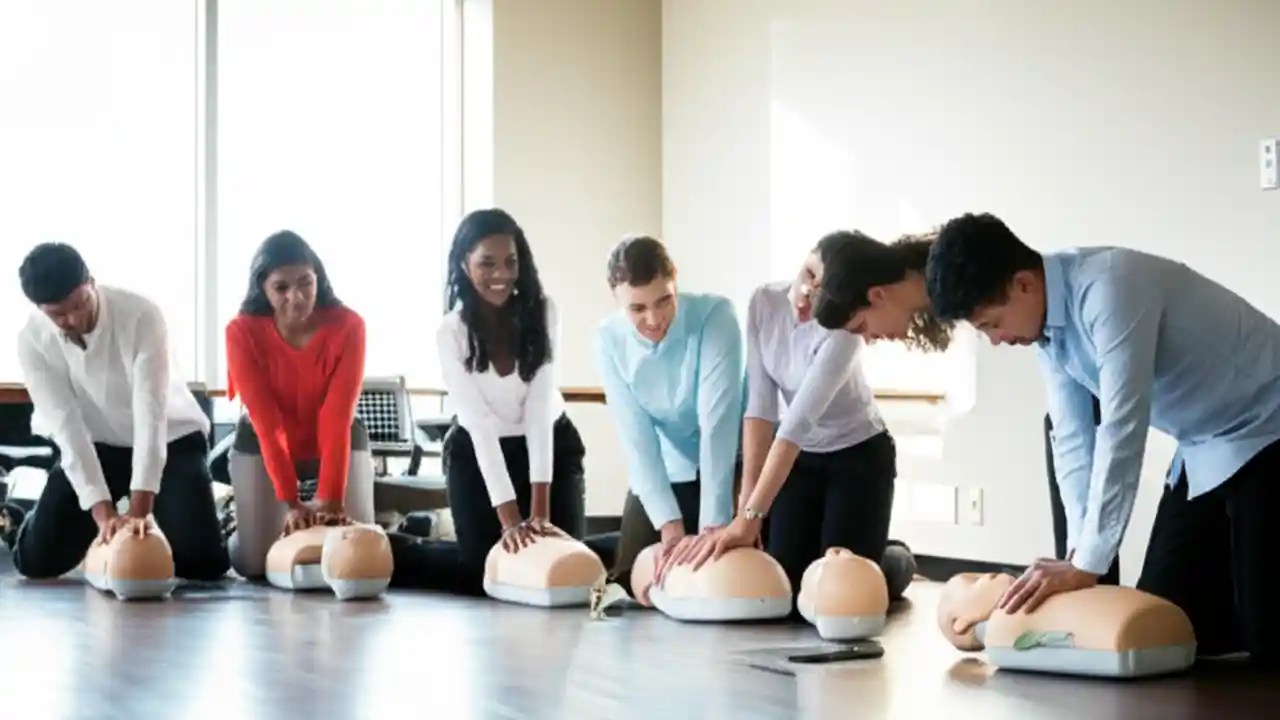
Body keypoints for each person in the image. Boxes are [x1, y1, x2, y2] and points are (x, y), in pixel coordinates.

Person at [924, 211, 1280, 668]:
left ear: (1023, 285)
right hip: (1205, 445)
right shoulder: (1046, 328)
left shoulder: (1110, 287)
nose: (995, 340)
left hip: (1268, 419)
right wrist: (1078, 555)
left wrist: (1089, 562)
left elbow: (1122, 426)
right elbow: (1073, 439)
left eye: (992, 324)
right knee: (1172, 623)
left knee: (1269, 637)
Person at [673, 231, 912, 603]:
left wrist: (751, 518)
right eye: (806, 277)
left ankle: (893, 560)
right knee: (787, 585)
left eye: (818, 293)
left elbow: (797, 424)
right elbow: (760, 410)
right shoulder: (763, 303)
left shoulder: (844, 330)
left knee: (840, 589)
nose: (805, 297)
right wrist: (745, 510)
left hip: (858, 456)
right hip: (799, 462)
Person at [8, 242, 229, 580]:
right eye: (58, 314)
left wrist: (140, 513)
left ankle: (225, 517)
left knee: (202, 565)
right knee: (37, 563)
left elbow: (150, 413)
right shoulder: (32, 340)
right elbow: (67, 426)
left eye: (80, 304)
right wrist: (104, 516)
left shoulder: (141, 316)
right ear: (41, 309)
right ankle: (12, 519)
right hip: (98, 445)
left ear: (91, 283)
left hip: (171, 440)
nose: (73, 319)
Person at [400, 208, 586, 595]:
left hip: (550, 443)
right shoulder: (450, 332)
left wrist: (539, 513)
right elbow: (480, 425)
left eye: (510, 262)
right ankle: (396, 547)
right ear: (465, 265)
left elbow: (538, 410)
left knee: (562, 564)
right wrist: (510, 521)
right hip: (476, 453)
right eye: (487, 263)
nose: (501, 274)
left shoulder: (545, 311)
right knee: (482, 574)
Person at [595, 235, 744, 589]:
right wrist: (668, 523)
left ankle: (891, 555)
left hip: (734, 466)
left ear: (675, 279)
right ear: (615, 296)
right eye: (637, 308)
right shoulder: (608, 339)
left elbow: (717, 426)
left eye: (664, 300)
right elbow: (637, 438)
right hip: (669, 467)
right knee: (635, 579)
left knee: (736, 578)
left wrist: (714, 527)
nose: (654, 318)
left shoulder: (715, 316)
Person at [223, 230, 372, 579]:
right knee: (256, 564)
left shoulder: (350, 325)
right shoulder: (241, 332)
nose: (297, 297)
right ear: (263, 289)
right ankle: (237, 531)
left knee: (359, 559)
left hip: (336, 438)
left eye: (306, 282)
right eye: (282, 288)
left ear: (318, 277)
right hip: (264, 443)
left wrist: (330, 499)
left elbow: (336, 415)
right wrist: (292, 502)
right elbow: (267, 422)